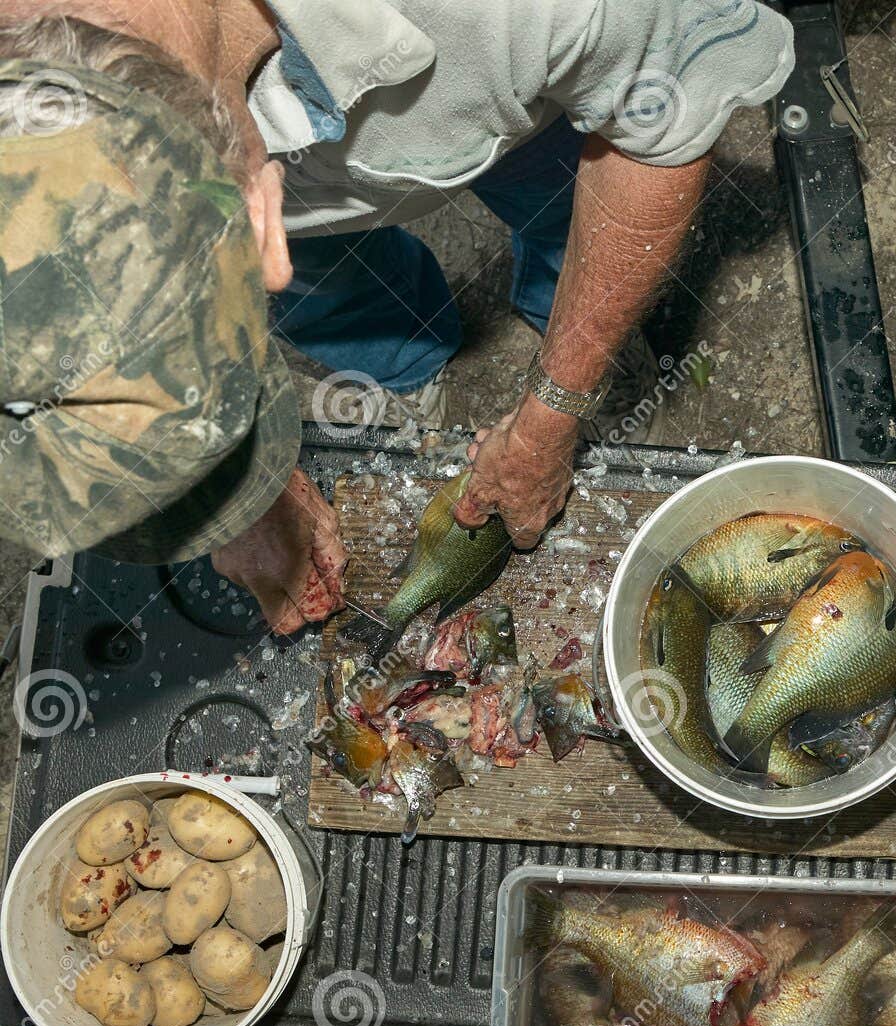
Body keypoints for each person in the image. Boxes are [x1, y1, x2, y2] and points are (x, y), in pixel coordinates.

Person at [0, 1, 792, 633]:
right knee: (342, 304)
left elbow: (655, 133)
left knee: (561, 202)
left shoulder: (539, 13)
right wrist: (235, 496)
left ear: (259, 222)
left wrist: (555, 412)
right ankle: (410, 354)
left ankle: (560, 325)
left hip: (514, 85)